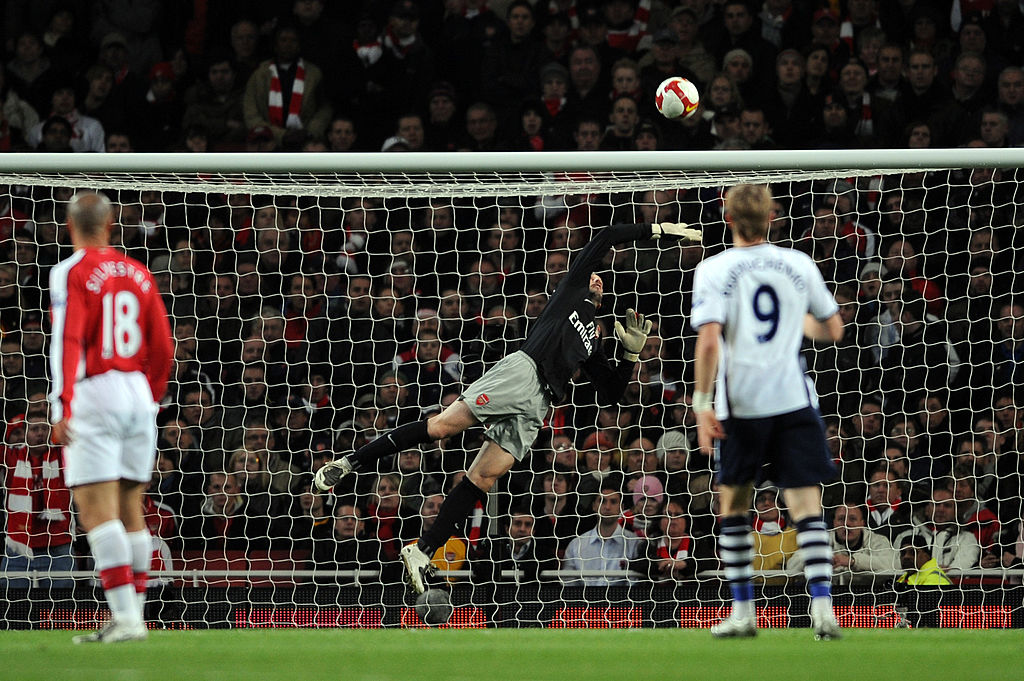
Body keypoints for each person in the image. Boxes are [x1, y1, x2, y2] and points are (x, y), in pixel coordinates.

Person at [315, 219, 699, 593]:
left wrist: (630, 353)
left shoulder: (592, 341)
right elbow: (606, 236)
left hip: (539, 404)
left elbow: (613, 392)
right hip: (522, 372)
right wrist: (658, 231)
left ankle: (422, 550)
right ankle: (349, 463)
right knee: (442, 427)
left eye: (602, 283)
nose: (599, 280)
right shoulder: (572, 292)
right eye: (597, 277)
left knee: (482, 479)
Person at [691, 183, 844, 640]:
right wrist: (798, 319)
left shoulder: (714, 268)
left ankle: (743, 613)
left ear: (728, 217)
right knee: (807, 507)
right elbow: (833, 328)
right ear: (772, 216)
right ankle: (822, 610)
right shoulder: (799, 263)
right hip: (795, 401)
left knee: (734, 507)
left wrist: (701, 405)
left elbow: (710, 339)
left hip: (743, 405)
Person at [47, 191, 173, 643]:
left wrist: (61, 403)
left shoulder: (71, 271)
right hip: (139, 394)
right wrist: (152, 396)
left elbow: (70, 339)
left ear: (69, 226)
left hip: (95, 391)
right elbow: (163, 345)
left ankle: (125, 620)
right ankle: (134, 617)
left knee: (96, 511)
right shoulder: (139, 273)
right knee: (131, 509)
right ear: (110, 224)